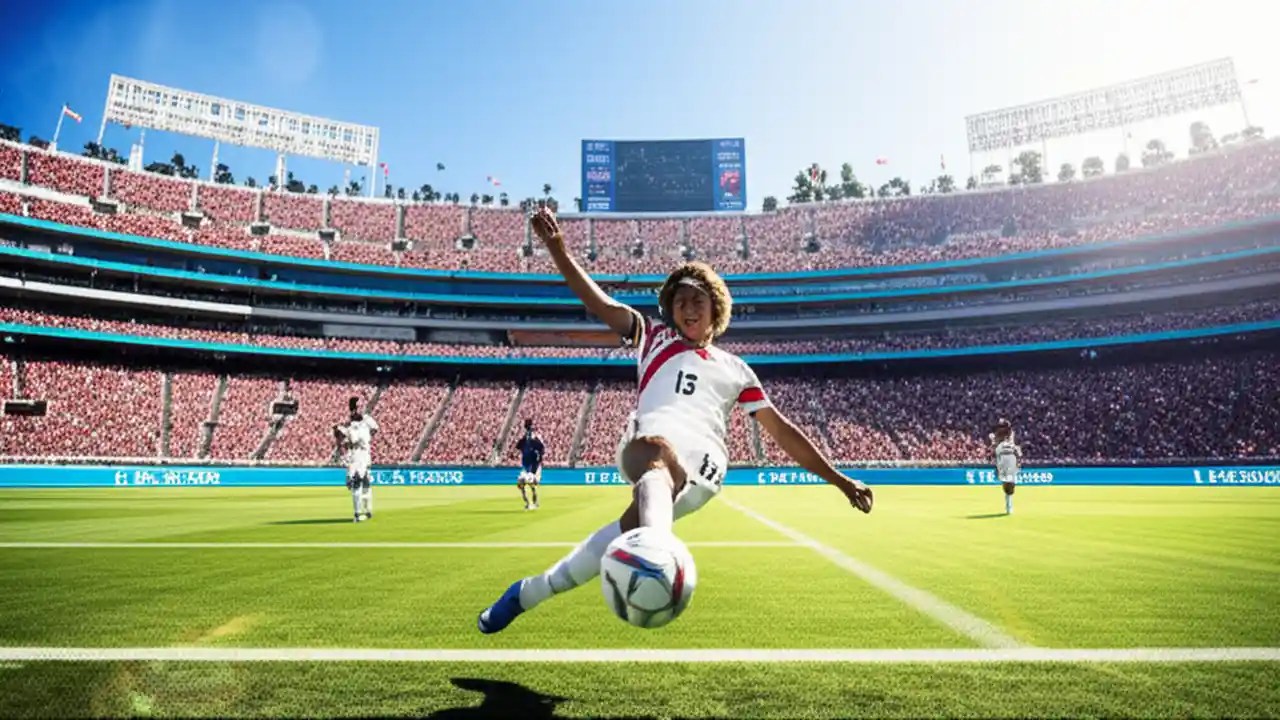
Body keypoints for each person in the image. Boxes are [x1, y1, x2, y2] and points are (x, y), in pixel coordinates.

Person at [477, 207, 873, 634]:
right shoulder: (652, 337)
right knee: (648, 472)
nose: (687, 307)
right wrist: (558, 250)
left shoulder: (736, 369)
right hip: (649, 446)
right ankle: (554, 584)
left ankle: (576, 575)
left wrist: (841, 480)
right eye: (679, 300)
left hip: (702, 467)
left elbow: (782, 432)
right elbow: (599, 303)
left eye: (697, 300)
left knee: (621, 527)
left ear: (714, 309)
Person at [334, 396, 379, 522]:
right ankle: (359, 513)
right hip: (357, 456)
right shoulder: (353, 426)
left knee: (364, 483)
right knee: (359, 483)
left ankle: (366, 511)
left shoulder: (363, 422)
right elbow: (347, 441)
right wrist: (340, 435)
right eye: (356, 408)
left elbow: (375, 429)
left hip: (363, 455)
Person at [989, 418, 1022, 515]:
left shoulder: (1011, 444)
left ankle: (1009, 503)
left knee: (1010, 485)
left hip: (1010, 463)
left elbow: (1018, 454)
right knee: (1007, 485)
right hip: (1004, 464)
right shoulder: (999, 445)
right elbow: (996, 455)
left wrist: (1018, 463)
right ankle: (1009, 503)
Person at [514, 418, 545, 510]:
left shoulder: (535, 439)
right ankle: (528, 503)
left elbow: (541, 449)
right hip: (526, 466)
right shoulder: (525, 439)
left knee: (532, 485)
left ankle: (534, 503)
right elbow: (518, 446)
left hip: (533, 467)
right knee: (521, 484)